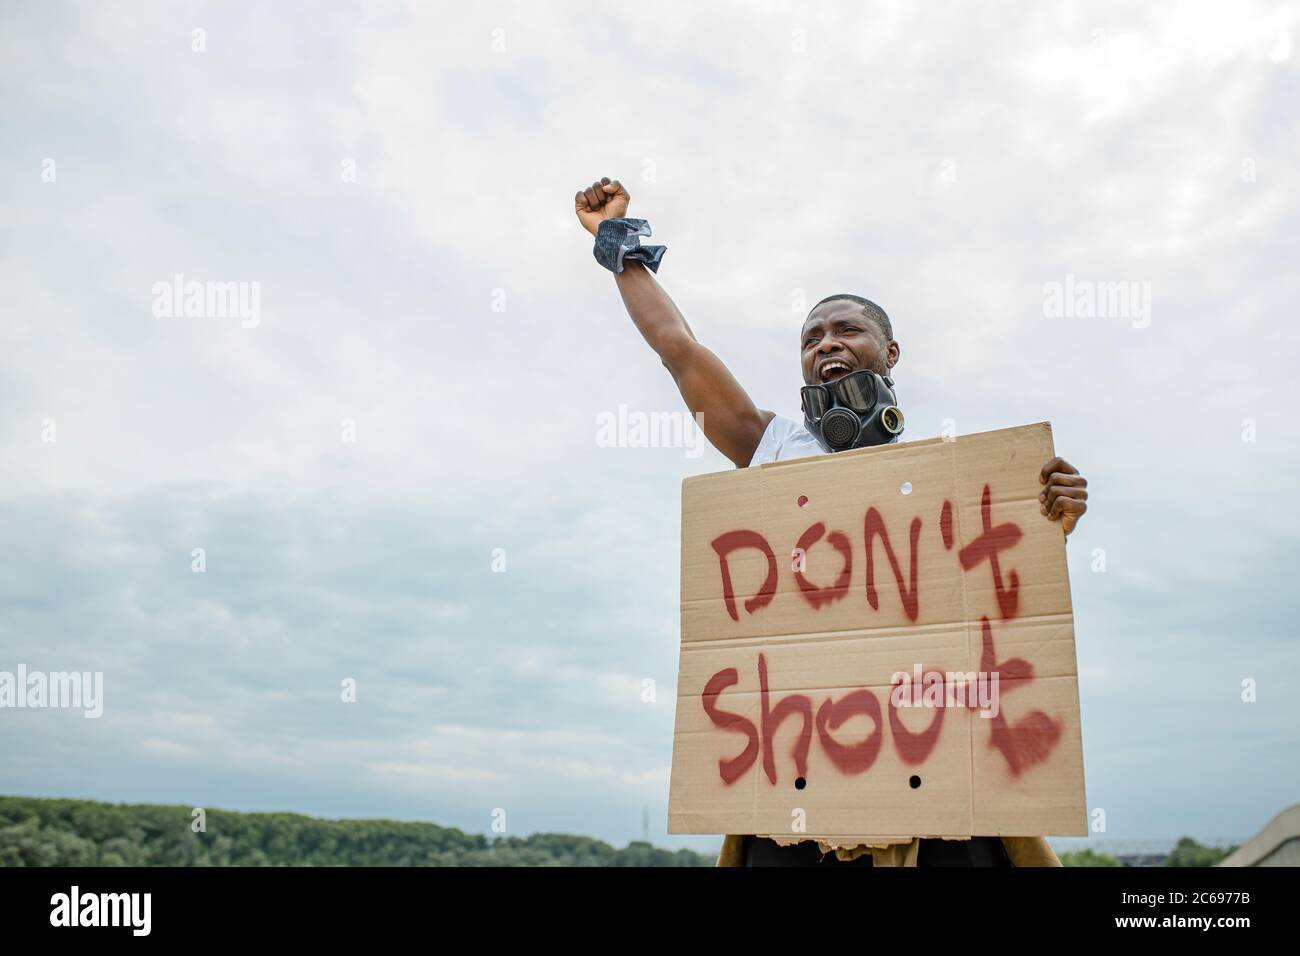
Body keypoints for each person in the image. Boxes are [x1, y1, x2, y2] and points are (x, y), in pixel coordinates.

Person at [574, 176, 1090, 867]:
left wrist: (1050, 510)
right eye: (812, 336)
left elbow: (1003, 596)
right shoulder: (771, 445)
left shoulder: (958, 482)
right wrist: (619, 242)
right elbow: (678, 348)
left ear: (891, 353)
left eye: (848, 329)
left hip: (940, 789)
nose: (827, 343)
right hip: (796, 793)